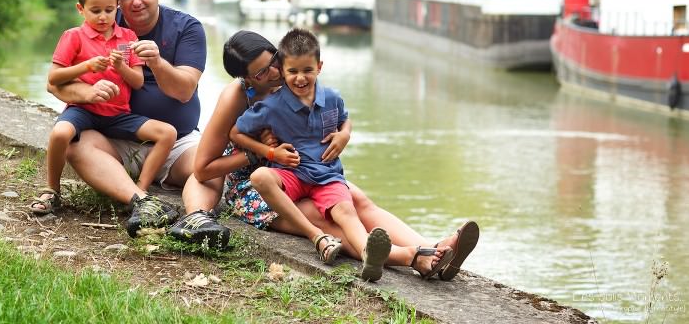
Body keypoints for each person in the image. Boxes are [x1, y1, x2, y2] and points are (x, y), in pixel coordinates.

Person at [195, 29, 479, 281]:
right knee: (327, 220)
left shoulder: (294, 75)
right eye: (260, 73)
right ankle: (413, 257)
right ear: (245, 79)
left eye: (272, 63)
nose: (273, 73)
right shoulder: (236, 97)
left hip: (307, 171)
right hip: (257, 189)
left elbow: (336, 111)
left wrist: (344, 133)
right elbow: (204, 169)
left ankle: (435, 249)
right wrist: (263, 153)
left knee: (358, 201)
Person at [47, 0, 230, 246]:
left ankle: (197, 219)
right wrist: (88, 93)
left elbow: (184, 91)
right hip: (113, 137)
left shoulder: (186, 27)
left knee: (211, 164)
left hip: (176, 141)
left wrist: (156, 62)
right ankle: (142, 202)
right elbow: (55, 82)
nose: (136, 1)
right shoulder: (103, 18)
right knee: (76, 144)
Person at [30, 0, 176, 217]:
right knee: (60, 133)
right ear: (81, 8)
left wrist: (121, 67)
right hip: (83, 110)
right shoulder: (73, 37)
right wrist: (86, 66)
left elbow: (138, 81)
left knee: (167, 133)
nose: (102, 17)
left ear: (117, 7)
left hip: (118, 114)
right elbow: (54, 78)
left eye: (109, 10)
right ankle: (52, 191)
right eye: (95, 10)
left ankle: (140, 194)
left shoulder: (127, 38)